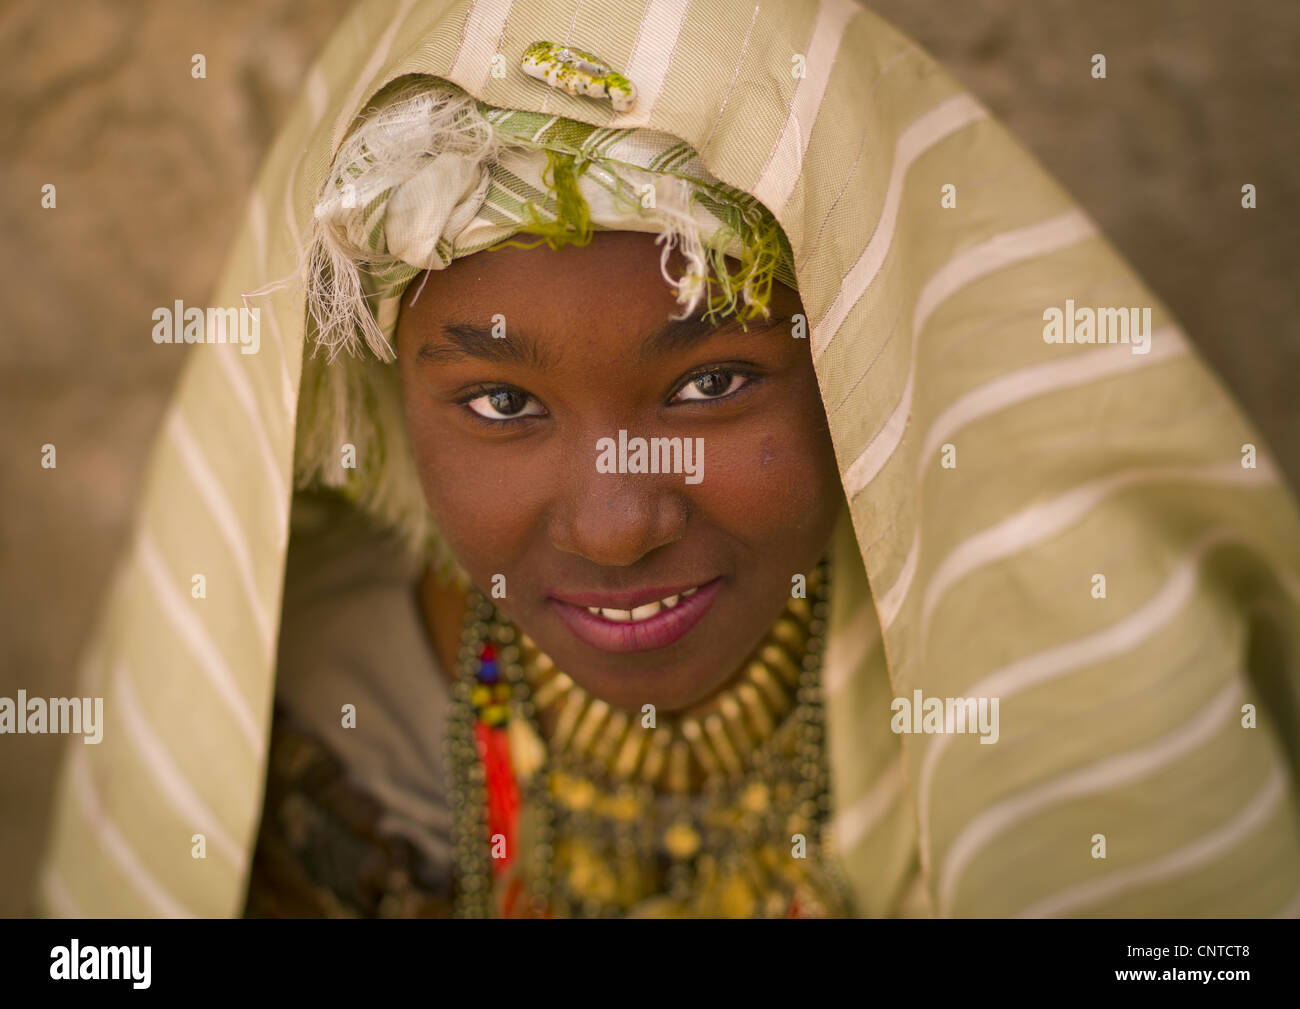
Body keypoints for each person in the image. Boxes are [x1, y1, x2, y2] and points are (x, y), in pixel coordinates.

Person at [37, 0, 1300, 919]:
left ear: (869, 359)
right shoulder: (306, 728)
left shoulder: (1061, 689)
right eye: (497, 402)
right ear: (382, 392)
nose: (614, 522)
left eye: (710, 382)